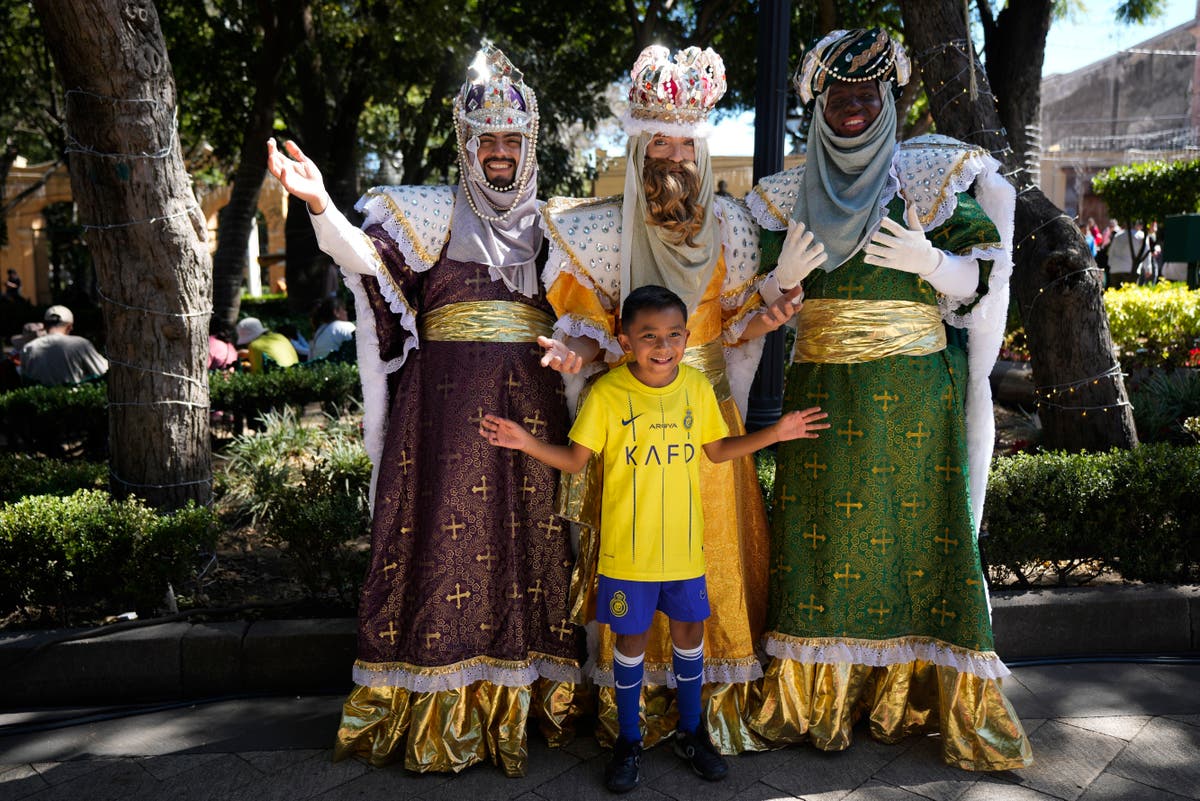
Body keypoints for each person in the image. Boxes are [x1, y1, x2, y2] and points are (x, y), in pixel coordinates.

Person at [266, 43, 581, 776]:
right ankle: (441, 706)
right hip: (442, 421)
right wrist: (320, 204)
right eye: (486, 140)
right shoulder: (428, 214)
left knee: (532, 550)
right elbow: (363, 260)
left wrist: (581, 354)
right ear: (466, 146)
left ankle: (529, 701)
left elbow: (603, 315)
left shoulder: (561, 227)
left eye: (512, 140)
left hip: (535, 418)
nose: (499, 152)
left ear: (529, 146)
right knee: (443, 549)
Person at [745, 28, 1033, 770]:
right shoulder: (783, 197)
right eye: (840, 95)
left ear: (889, 100)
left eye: (867, 95)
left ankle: (912, 695)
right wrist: (777, 282)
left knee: (919, 547)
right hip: (823, 396)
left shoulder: (929, 180)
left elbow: (979, 279)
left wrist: (930, 259)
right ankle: (819, 702)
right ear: (818, 106)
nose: (853, 107)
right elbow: (747, 308)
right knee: (822, 546)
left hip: (913, 403)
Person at [538, 44, 813, 754]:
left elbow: (734, 323)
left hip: (707, 412)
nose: (674, 155)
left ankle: (705, 711)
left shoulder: (731, 226)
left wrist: (771, 315)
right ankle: (632, 716)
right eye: (659, 141)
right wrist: (576, 354)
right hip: (632, 420)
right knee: (635, 569)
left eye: (685, 142)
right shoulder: (603, 230)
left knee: (710, 564)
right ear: (638, 146)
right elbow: (594, 328)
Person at [480, 285, 829, 792]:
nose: (663, 346)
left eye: (673, 335)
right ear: (626, 341)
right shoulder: (608, 393)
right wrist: (526, 442)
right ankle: (628, 740)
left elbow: (717, 451)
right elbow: (576, 461)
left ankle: (691, 732)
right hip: (627, 556)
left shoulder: (696, 387)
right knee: (631, 642)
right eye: (649, 336)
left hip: (685, 552)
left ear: (686, 337)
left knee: (690, 637)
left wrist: (775, 432)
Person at [19, 305, 108, 386]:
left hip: (38, 397)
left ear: (45, 326)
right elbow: (103, 370)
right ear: (70, 327)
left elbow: (24, 378)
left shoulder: (28, 348)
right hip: (74, 397)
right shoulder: (80, 344)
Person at [309, 296, 356, 360]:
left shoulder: (318, 332)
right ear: (336, 312)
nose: (346, 312)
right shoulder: (346, 326)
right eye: (344, 309)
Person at [1107, 220, 1150, 287]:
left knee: (1115, 292)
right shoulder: (1141, 236)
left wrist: (1111, 265)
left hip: (1115, 269)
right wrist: (1148, 268)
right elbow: (1146, 252)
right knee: (1129, 292)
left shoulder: (1118, 235)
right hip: (1131, 270)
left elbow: (1110, 252)